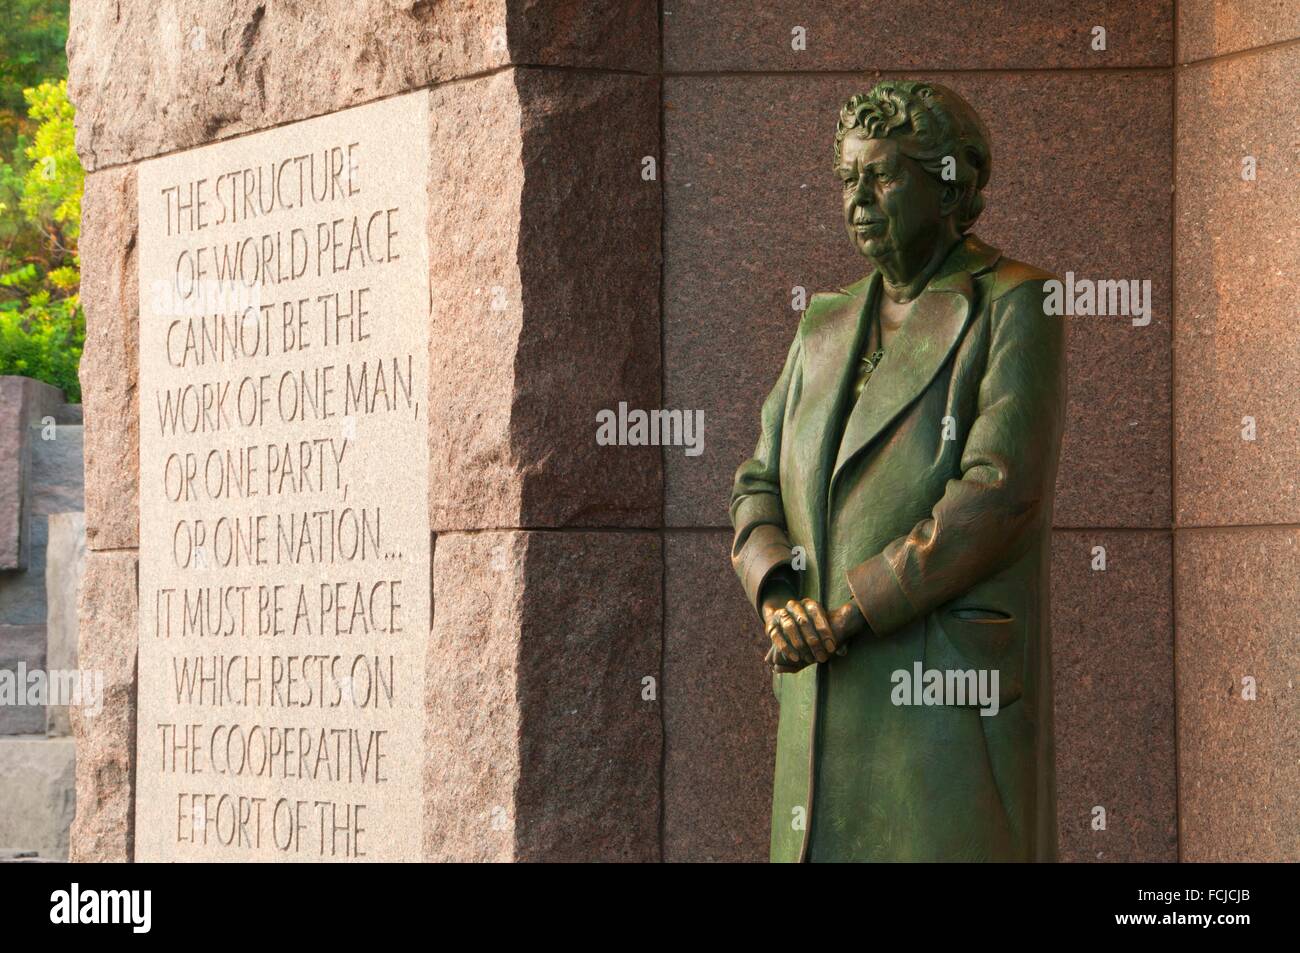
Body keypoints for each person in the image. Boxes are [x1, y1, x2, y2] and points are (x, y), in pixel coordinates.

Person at [730, 80, 1065, 862]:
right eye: (848, 179)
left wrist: (848, 610)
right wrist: (779, 595)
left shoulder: (1016, 303)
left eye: (883, 176)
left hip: (940, 709)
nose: (859, 199)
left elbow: (997, 495)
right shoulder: (824, 321)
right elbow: (757, 481)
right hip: (816, 705)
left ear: (949, 182)